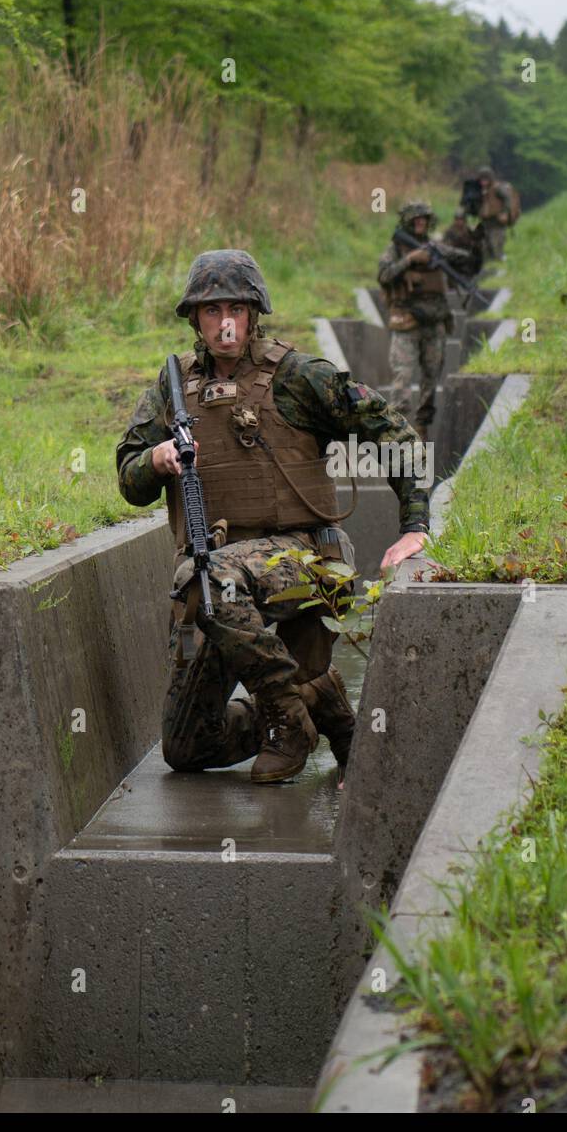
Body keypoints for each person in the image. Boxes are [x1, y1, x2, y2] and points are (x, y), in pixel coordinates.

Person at [115, 249, 429, 785]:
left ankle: (289, 718)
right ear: (195, 318)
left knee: (207, 573)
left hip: (305, 557)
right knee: (187, 748)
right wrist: (156, 459)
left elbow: (391, 429)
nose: (226, 324)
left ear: (254, 312)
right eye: (212, 312)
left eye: (236, 309)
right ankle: (317, 697)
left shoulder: (298, 376)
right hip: (215, 582)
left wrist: (414, 527)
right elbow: (128, 477)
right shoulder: (175, 387)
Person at [377, 200, 470, 444]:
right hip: (406, 320)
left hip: (434, 321)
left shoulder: (433, 247)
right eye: (416, 219)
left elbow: (459, 258)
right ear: (407, 221)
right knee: (403, 376)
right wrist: (409, 260)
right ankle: (397, 430)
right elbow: (384, 275)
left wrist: (456, 255)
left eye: (424, 219)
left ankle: (422, 426)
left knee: (432, 377)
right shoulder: (395, 248)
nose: (421, 223)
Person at [475, 166, 520, 263]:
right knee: (485, 245)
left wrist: (504, 212)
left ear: (490, 178)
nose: (483, 182)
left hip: (497, 220)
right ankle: (488, 261)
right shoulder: (482, 190)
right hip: (486, 221)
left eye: (485, 179)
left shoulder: (498, 188)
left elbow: (507, 199)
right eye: (481, 179)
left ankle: (500, 258)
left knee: (496, 243)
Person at [441, 207, 485, 280]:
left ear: (464, 220)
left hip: (467, 256)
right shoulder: (450, 231)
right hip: (454, 257)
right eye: (457, 219)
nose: (459, 222)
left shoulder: (468, 230)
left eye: (461, 219)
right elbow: (446, 247)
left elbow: (475, 243)